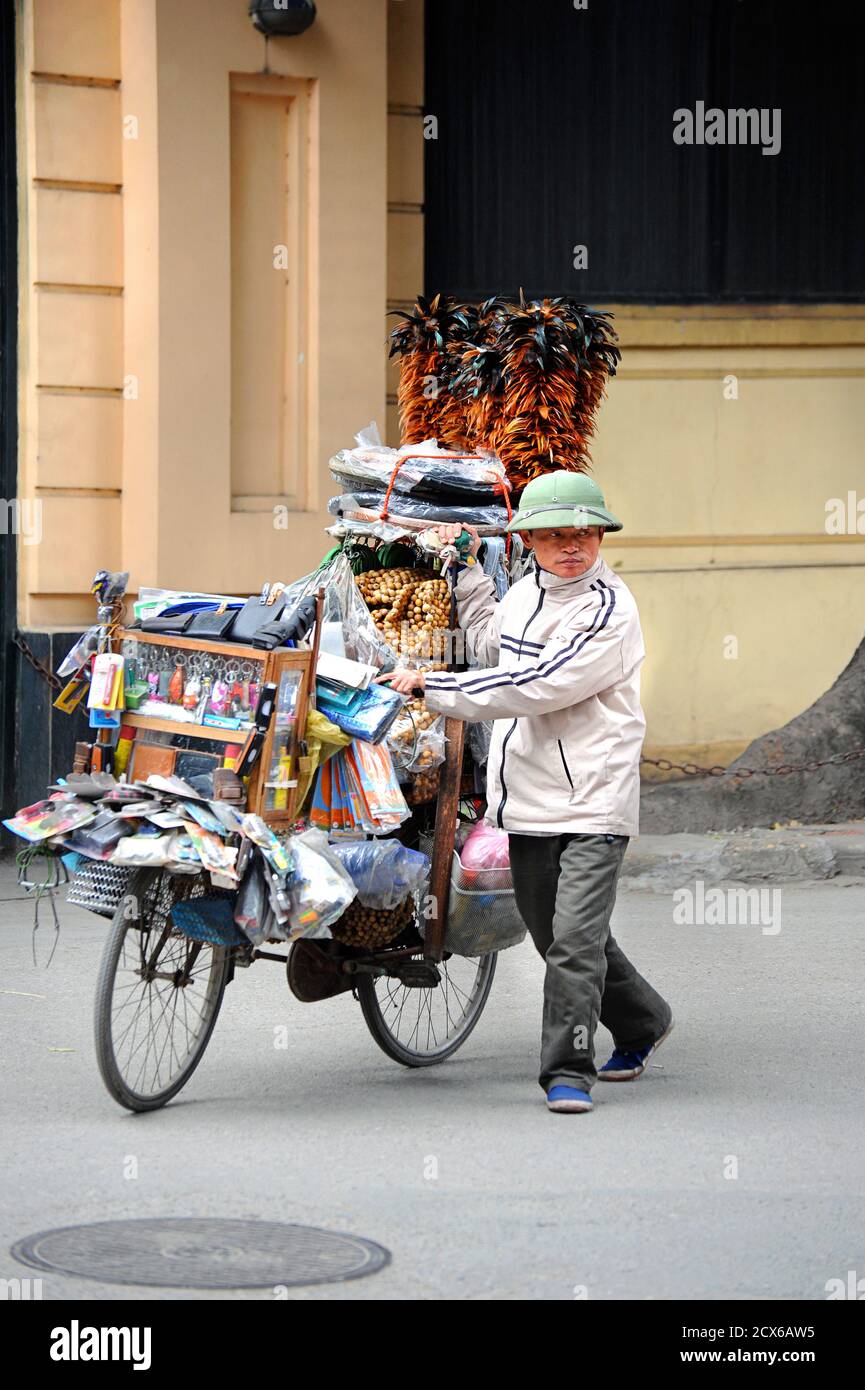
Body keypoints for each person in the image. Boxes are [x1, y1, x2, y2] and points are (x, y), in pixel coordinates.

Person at [378, 471, 673, 1113]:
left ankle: (567, 1071)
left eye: (585, 534)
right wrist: (463, 572)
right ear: (531, 540)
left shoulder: (609, 610)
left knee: (572, 941)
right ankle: (645, 1019)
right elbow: (490, 648)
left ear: (600, 537)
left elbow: (539, 683)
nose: (573, 546)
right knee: (557, 935)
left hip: (594, 799)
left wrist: (433, 691)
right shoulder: (523, 598)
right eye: (557, 534)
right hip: (528, 800)